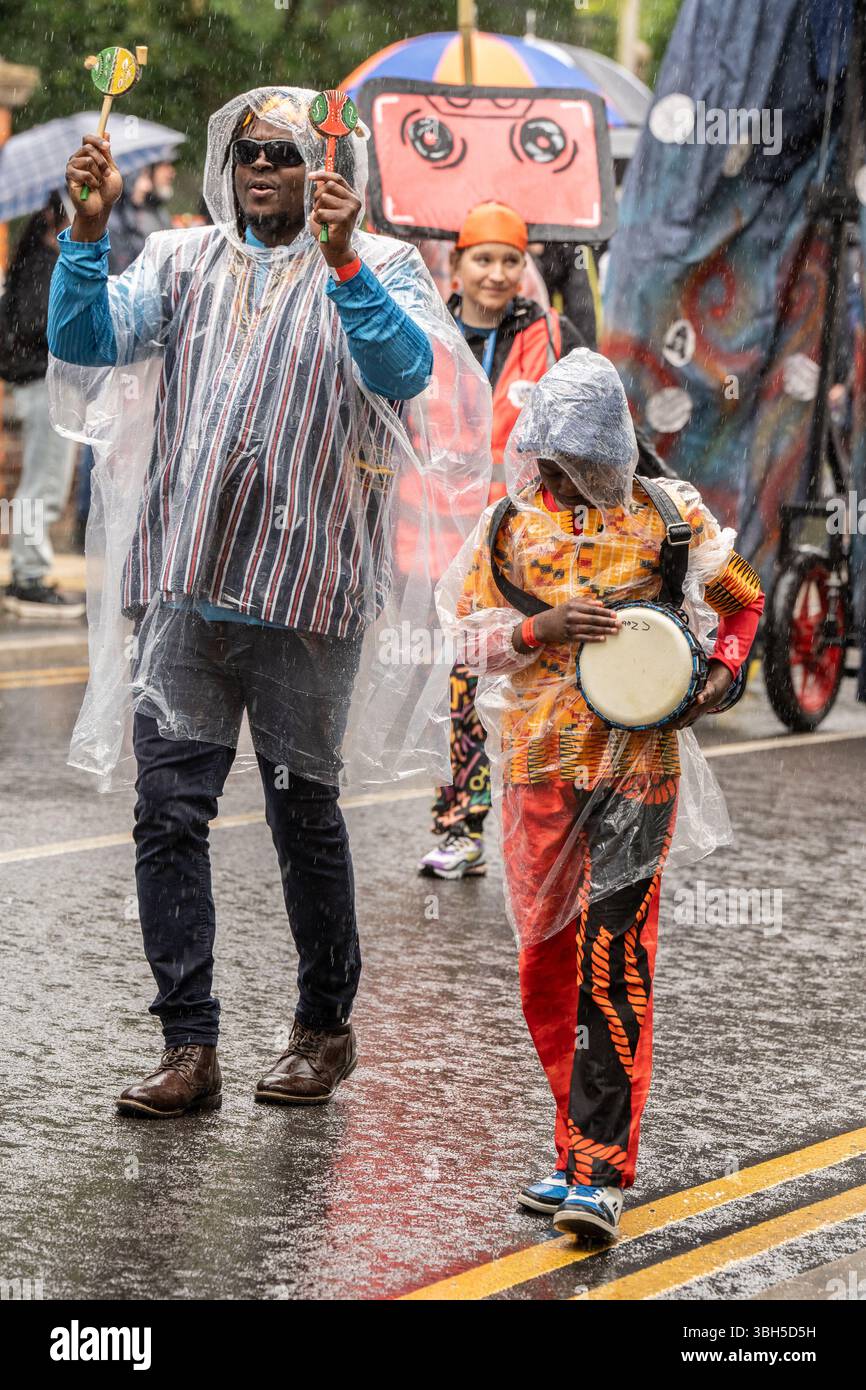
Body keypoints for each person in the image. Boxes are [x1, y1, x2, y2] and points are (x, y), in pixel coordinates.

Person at [47, 86, 488, 1119]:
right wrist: (88, 232)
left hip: (305, 598)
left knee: (302, 816)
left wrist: (339, 260)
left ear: (323, 172)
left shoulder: (376, 267)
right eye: (248, 151)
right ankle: (187, 1044)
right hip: (186, 593)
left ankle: (322, 1027)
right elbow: (84, 339)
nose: (262, 170)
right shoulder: (181, 262)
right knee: (167, 814)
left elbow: (404, 367)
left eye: (285, 155)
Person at [438, 348, 764, 1240]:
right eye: (555, 464)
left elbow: (744, 602)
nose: (568, 481)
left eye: (585, 466)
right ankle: (576, 1142)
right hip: (540, 769)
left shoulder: (671, 518)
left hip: (639, 773)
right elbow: (466, 643)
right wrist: (540, 628)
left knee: (614, 963)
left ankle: (601, 1170)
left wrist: (719, 677)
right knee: (546, 963)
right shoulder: (508, 530)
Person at [419, 202, 584, 880]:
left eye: (510, 260)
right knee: (462, 690)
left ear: (526, 269)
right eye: (482, 259)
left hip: (528, 549)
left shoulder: (552, 332)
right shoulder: (425, 332)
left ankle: (546, 834)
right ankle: (460, 826)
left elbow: (591, 419)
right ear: (454, 265)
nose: (496, 273)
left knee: (533, 694)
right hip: (443, 544)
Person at [0, 192, 85, 618]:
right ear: (56, 216)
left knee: (43, 481)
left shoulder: (36, 258)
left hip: (41, 382)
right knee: (43, 483)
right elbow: (34, 322)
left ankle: (29, 571)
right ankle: (28, 577)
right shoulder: (42, 262)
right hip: (42, 382)